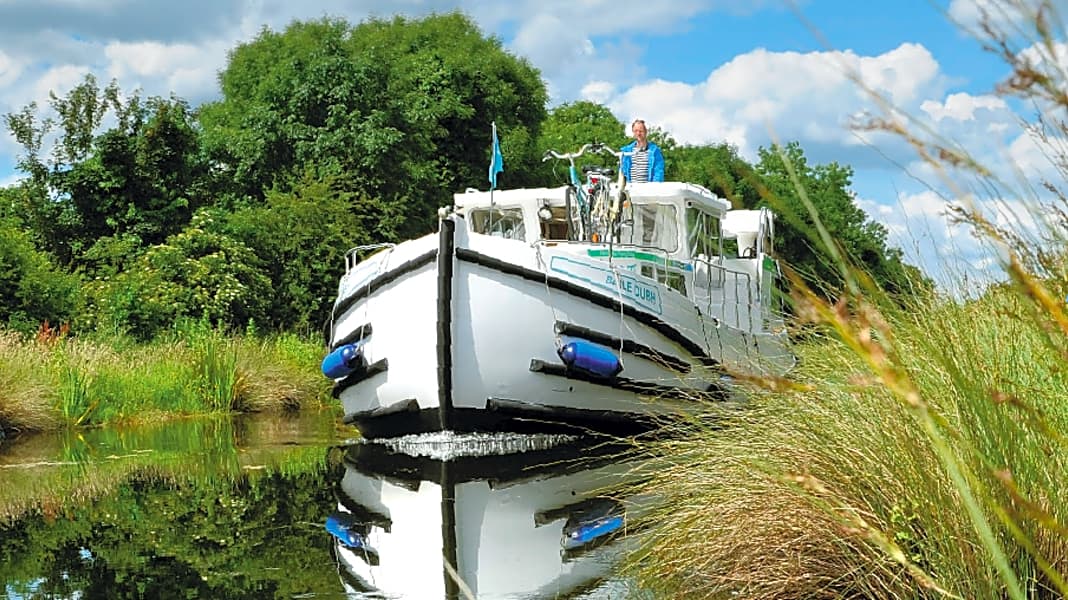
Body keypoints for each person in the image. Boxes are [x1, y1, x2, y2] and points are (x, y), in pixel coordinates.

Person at [620, 119, 665, 183]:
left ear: (646, 131)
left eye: (641, 131)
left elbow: (658, 172)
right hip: (631, 189)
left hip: (648, 190)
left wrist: (655, 188)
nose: (638, 133)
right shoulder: (627, 152)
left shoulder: (655, 151)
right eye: (636, 131)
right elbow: (622, 173)